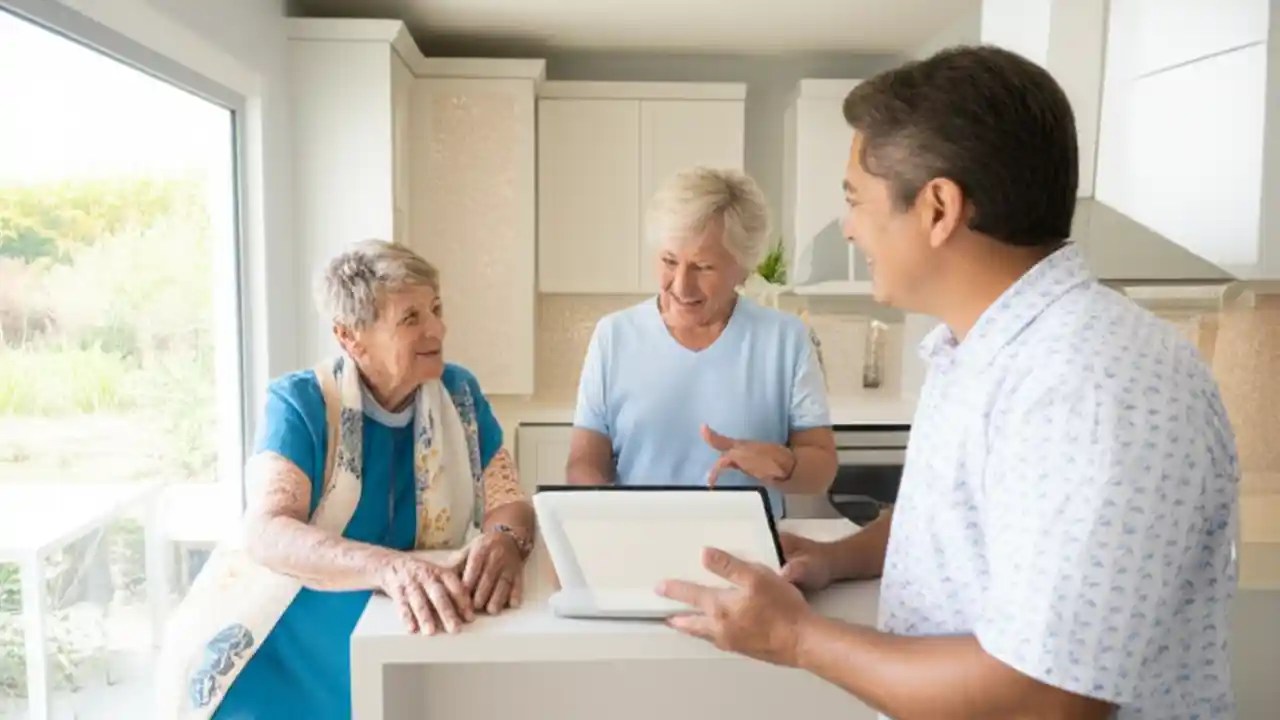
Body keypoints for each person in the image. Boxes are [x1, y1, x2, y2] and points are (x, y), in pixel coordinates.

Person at [657, 45, 1239, 720]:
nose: (848, 229)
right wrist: (833, 558)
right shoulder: (980, 352)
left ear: (938, 208)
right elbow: (957, 526)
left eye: (855, 200)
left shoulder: (1089, 385)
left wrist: (795, 636)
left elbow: (1043, 698)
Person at [155, 239, 536, 720]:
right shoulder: (301, 402)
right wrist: (390, 568)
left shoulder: (459, 393)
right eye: (411, 318)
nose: (437, 328)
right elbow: (268, 528)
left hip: (407, 634)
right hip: (288, 654)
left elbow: (510, 499)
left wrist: (505, 539)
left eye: (436, 309)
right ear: (351, 337)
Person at [566, 166, 837, 514]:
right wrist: (607, 516)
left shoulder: (785, 340)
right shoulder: (613, 336)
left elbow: (821, 467)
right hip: (636, 539)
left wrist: (785, 465)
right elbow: (583, 461)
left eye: (703, 267)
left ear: (743, 265)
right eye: (669, 261)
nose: (681, 286)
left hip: (747, 550)